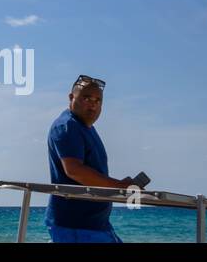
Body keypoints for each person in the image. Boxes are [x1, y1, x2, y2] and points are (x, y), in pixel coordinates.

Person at [46, 75, 141, 243]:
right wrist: (120, 186)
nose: (93, 104)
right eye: (86, 98)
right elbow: (74, 170)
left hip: (96, 224)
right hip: (76, 225)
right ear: (71, 97)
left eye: (98, 100)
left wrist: (121, 187)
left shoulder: (87, 128)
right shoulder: (67, 126)